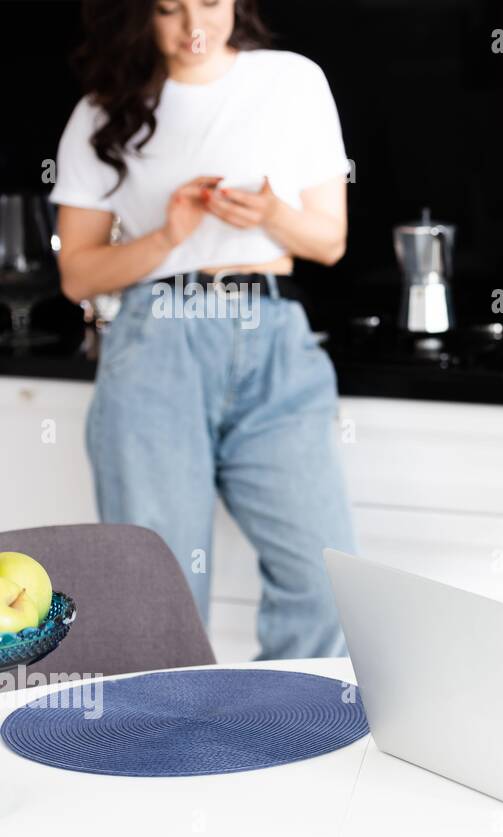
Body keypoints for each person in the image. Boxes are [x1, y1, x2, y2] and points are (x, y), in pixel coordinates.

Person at [50, 0, 356, 659]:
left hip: (275, 337)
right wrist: (169, 233)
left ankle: (295, 740)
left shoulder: (291, 80)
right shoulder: (104, 111)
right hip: (157, 341)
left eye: (211, 3)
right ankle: (172, 750)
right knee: (158, 594)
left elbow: (329, 241)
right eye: (169, 8)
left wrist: (273, 212)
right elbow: (77, 275)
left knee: (325, 581)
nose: (193, 24)